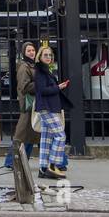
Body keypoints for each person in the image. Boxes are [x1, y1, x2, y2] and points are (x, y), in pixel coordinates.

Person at [33, 44, 72, 180]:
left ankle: (43, 169)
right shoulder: (40, 71)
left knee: (46, 139)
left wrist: (58, 87)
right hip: (46, 107)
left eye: (50, 55)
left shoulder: (44, 70)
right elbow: (42, 90)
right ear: (40, 56)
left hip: (48, 106)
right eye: (45, 55)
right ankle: (53, 165)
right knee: (60, 136)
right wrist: (58, 87)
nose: (48, 57)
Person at [4, 41, 38, 169]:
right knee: (23, 134)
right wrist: (40, 83)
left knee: (29, 134)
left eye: (33, 50)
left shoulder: (32, 65)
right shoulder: (24, 67)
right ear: (24, 52)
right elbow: (24, 87)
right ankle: (12, 161)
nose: (31, 52)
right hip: (29, 104)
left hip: (33, 103)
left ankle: (17, 161)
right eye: (28, 50)